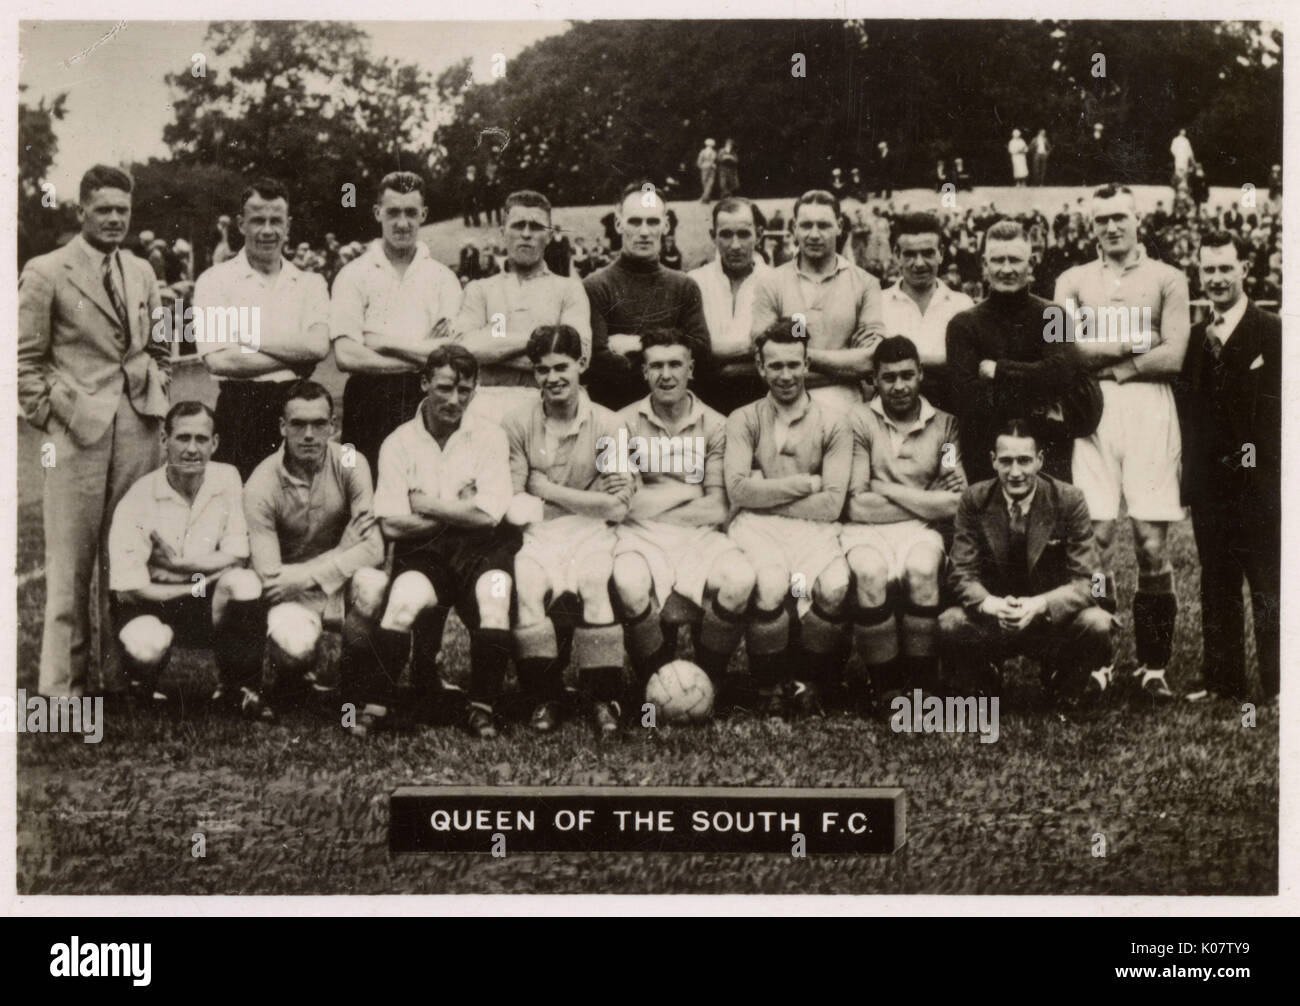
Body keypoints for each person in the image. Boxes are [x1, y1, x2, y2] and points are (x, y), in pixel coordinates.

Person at [18, 164, 172, 699]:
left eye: (122, 211)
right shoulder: (46, 270)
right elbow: (25, 361)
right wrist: (51, 416)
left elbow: (160, 343)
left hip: (137, 427)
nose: (113, 219)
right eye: (103, 209)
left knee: (127, 555)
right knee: (70, 560)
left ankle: (124, 677)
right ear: (80, 210)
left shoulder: (142, 271)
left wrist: (157, 387)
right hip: (73, 432)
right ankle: (62, 688)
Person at [1054, 184, 1189, 701]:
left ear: (1139, 222)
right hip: (1092, 415)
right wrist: (1137, 341)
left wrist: (1117, 361)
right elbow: (1060, 350)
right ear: (1091, 226)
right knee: (1098, 540)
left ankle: (1154, 667)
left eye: (1121, 218)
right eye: (1102, 219)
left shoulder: (1168, 278)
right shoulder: (1070, 280)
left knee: (1152, 543)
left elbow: (1174, 354)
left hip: (1151, 410)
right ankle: (1100, 660)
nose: (1112, 227)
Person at [372, 345, 521, 739]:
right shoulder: (398, 442)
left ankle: (482, 706)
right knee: (403, 602)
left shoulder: (489, 436)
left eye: (465, 390)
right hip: (425, 556)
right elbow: (391, 526)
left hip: (483, 551)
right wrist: (459, 509)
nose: (454, 400)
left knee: (495, 597)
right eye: (444, 388)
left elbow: (488, 516)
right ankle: (377, 704)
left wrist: (425, 504)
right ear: (424, 383)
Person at [504, 325, 634, 737]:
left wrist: (546, 489)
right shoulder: (516, 422)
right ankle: (546, 695)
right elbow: (515, 502)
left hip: (593, 534)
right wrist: (585, 495)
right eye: (543, 370)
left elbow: (616, 507)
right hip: (538, 533)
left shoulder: (609, 424)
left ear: (581, 364)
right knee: (527, 586)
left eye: (562, 367)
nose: (553, 378)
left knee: (595, 582)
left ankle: (603, 698)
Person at [611, 329, 756, 692]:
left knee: (740, 579)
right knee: (629, 582)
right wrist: (689, 491)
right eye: (656, 365)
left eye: (675, 364)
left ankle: (708, 677)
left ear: (691, 369)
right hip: (638, 536)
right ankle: (656, 679)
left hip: (700, 535)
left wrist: (649, 497)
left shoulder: (719, 425)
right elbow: (619, 506)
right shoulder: (618, 423)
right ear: (643, 372)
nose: (666, 374)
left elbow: (718, 507)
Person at [724, 321, 853, 718]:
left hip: (815, 527)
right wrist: (805, 483)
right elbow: (738, 492)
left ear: (807, 363)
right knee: (770, 585)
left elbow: (832, 505)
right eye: (775, 366)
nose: (785, 375)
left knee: (834, 587)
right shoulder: (743, 419)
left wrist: (764, 492)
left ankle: (807, 683)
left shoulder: (834, 420)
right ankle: (768, 687)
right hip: (758, 529)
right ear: (760, 367)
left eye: (793, 365)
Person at [107, 402, 268, 717]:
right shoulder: (138, 498)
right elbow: (132, 588)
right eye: (182, 438)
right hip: (151, 601)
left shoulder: (227, 478)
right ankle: (143, 682)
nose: (192, 449)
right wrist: (195, 586)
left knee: (244, 582)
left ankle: (241, 687)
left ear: (215, 443)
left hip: (202, 595)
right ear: (164, 440)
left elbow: (236, 554)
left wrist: (179, 566)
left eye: (201, 439)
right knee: (147, 645)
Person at [242, 380, 389, 720]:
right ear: (282, 426)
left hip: (332, 583)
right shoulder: (261, 481)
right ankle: (294, 678)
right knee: (294, 651)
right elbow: (269, 577)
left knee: (373, 584)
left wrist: (320, 568)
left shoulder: (352, 459)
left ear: (333, 427)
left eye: (319, 424)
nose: (309, 434)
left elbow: (374, 546)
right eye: (298, 424)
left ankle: (354, 690)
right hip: (292, 594)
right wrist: (341, 551)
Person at [939, 419, 1114, 700]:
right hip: (996, 618)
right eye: (1006, 461)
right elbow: (960, 573)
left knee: (1097, 622)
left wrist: (1039, 605)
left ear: (1040, 461)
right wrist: (992, 605)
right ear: (993, 461)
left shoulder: (1070, 499)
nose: (1015, 472)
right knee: (951, 622)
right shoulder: (974, 499)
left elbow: (1091, 580)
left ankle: (1062, 675)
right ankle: (986, 673)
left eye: (1024, 460)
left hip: (1049, 620)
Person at [1177, 233, 1280, 703]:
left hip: (1261, 484)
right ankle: (1223, 683)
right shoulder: (1197, 337)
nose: (1216, 279)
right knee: (1216, 580)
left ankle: (1280, 687)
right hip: (1210, 488)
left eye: (1225, 268)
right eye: (1208, 271)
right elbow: (1191, 415)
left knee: (1268, 584)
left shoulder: (1274, 331)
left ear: (1244, 270)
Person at [842, 335, 964, 708]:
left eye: (907, 376)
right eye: (889, 377)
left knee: (923, 568)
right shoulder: (858, 421)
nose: (899, 386)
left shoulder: (944, 426)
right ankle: (887, 686)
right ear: (874, 381)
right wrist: (926, 499)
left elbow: (956, 502)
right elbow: (857, 506)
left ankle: (922, 684)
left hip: (919, 532)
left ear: (921, 375)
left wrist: (887, 488)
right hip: (865, 531)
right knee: (869, 572)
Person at [193, 178, 330, 482]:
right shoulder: (214, 281)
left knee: (300, 504)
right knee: (240, 507)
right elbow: (218, 361)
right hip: (240, 410)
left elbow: (319, 347)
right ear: (241, 224)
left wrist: (246, 339)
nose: (267, 230)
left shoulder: (310, 284)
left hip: (297, 409)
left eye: (275, 221)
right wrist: (298, 357)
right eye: (257, 220)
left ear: (288, 225)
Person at [330, 171, 463, 477]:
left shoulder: (444, 278)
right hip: (369, 400)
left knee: (430, 486)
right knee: (368, 488)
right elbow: (347, 356)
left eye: (411, 213)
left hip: (429, 398)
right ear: (378, 213)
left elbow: (453, 355)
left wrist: (381, 341)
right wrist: (423, 356)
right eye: (393, 212)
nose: (402, 223)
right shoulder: (353, 275)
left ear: (424, 215)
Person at [946, 220, 1085, 483]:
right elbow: (970, 402)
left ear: (1031, 264)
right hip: (987, 459)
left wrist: (999, 371)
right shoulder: (963, 325)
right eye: (998, 260)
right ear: (984, 265)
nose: (1006, 269)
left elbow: (1063, 375)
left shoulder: (1053, 315)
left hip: (1048, 457)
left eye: (1015, 260)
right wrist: (1038, 390)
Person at [451, 190, 593, 423]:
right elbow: (463, 352)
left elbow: (579, 357)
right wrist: (543, 339)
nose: (526, 234)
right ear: (502, 232)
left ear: (548, 235)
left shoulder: (569, 289)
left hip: (552, 403)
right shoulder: (480, 289)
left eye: (536, 227)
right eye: (518, 225)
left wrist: (493, 350)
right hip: (489, 405)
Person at [751, 189, 885, 416]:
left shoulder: (865, 283)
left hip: (849, 412)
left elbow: (870, 362)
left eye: (823, 225)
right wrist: (847, 364)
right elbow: (766, 364)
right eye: (806, 225)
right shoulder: (770, 283)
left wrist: (796, 357)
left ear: (839, 226)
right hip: (785, 413)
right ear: (794, 228)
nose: (814, 234)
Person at [583, 182, 711, 410]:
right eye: (635, 221)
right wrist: (671, 357)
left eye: (652, 221)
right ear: (618, 224)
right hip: (614, 412)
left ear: (666, 225)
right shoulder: (595, 286)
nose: (644, 231)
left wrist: (636, 343)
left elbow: (700, 351)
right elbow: (598, 361)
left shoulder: (685, 286)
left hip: (673, 416)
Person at [879, 212, 975, 415]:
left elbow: (967, 366)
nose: (920, 263)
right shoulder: (878, 303)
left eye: (928, 253)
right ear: (897, 255)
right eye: (910, 254)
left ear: (941, 252)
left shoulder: (962, 305)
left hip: (949, 413)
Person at [688, 196, 773, 416]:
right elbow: (690, 346)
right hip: (703, 401)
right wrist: (753, 347)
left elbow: (785, 347)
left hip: (761, 401)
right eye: (726, 234)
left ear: (759, 234)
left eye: (744, 234)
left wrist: (723, 363)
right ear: (713, 236)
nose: (735, 245)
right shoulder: (694, 282)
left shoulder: (778, 282)